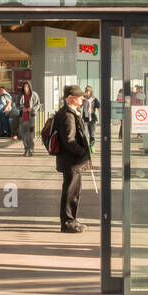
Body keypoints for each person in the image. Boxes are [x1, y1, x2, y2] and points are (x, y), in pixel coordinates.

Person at [52, 85, 92, 233]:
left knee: (73, 192)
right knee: (71, 192)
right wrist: (82, 153)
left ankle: (72, 220)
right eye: (79, 96)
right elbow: (69, 140)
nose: (83, 98)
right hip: (71, 160)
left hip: (71, 160)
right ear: (70, 98)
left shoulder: (69, 112)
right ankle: (68, 223)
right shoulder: (67, 115)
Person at [14, 81, 41, 156]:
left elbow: (38, 104)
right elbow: (17, 105)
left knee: (30, 135)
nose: (26, 88)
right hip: (22, 117)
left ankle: (31, 149)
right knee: (23, 135)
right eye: (24, 87)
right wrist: (22, 108)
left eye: (27, 87)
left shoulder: (34, 94)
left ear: (30, 87)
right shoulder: (20, 95)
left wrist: (32, 109)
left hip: (31, 117)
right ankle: (26, 149)